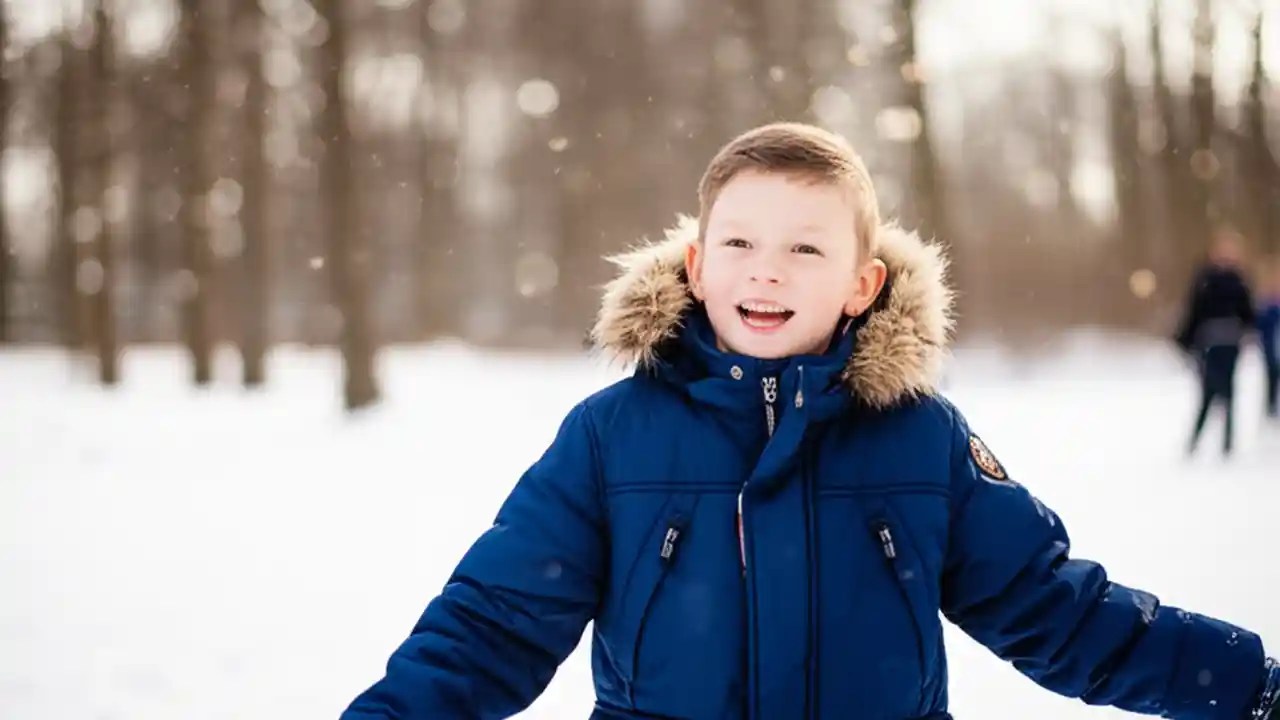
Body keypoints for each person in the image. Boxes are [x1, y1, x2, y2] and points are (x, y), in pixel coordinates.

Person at [341, 123, 1280, 719]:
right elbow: (493, 624)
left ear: (862, 282)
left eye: (805, 248)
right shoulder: (610, 438)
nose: (768, 271)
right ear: (699, 266)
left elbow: (1055, 611)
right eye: (741, 244)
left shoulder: (921, 439)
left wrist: (1248, 683)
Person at [1175, 228, 1257, 456]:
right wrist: (1184, 340)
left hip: (1230, 342)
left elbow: (1247, 312)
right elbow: (1194, 311)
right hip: (1209, 342)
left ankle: (1227, 444)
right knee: (1210, 391)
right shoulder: (1205, 279)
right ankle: (1194, 441)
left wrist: (1249, 329)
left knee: (1229, 391)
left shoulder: (1239, 280)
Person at [1257, 257, 1280, 419]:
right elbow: (1260, 326)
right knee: (1272, 377)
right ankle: (1270, 407)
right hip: (1272, 348)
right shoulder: (1267, 306)